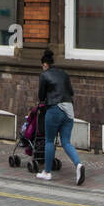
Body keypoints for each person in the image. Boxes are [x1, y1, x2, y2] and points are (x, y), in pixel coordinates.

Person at [36, 49, 85, 185]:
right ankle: (79, 165)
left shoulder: (45, 75)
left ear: (45, 64)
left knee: (50, 141)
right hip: (69, 110)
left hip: (54, 109)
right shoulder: (64, 74)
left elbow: (41, 96)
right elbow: (71, 92)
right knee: (66, 142)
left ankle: (46, 172)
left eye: (42, 66)